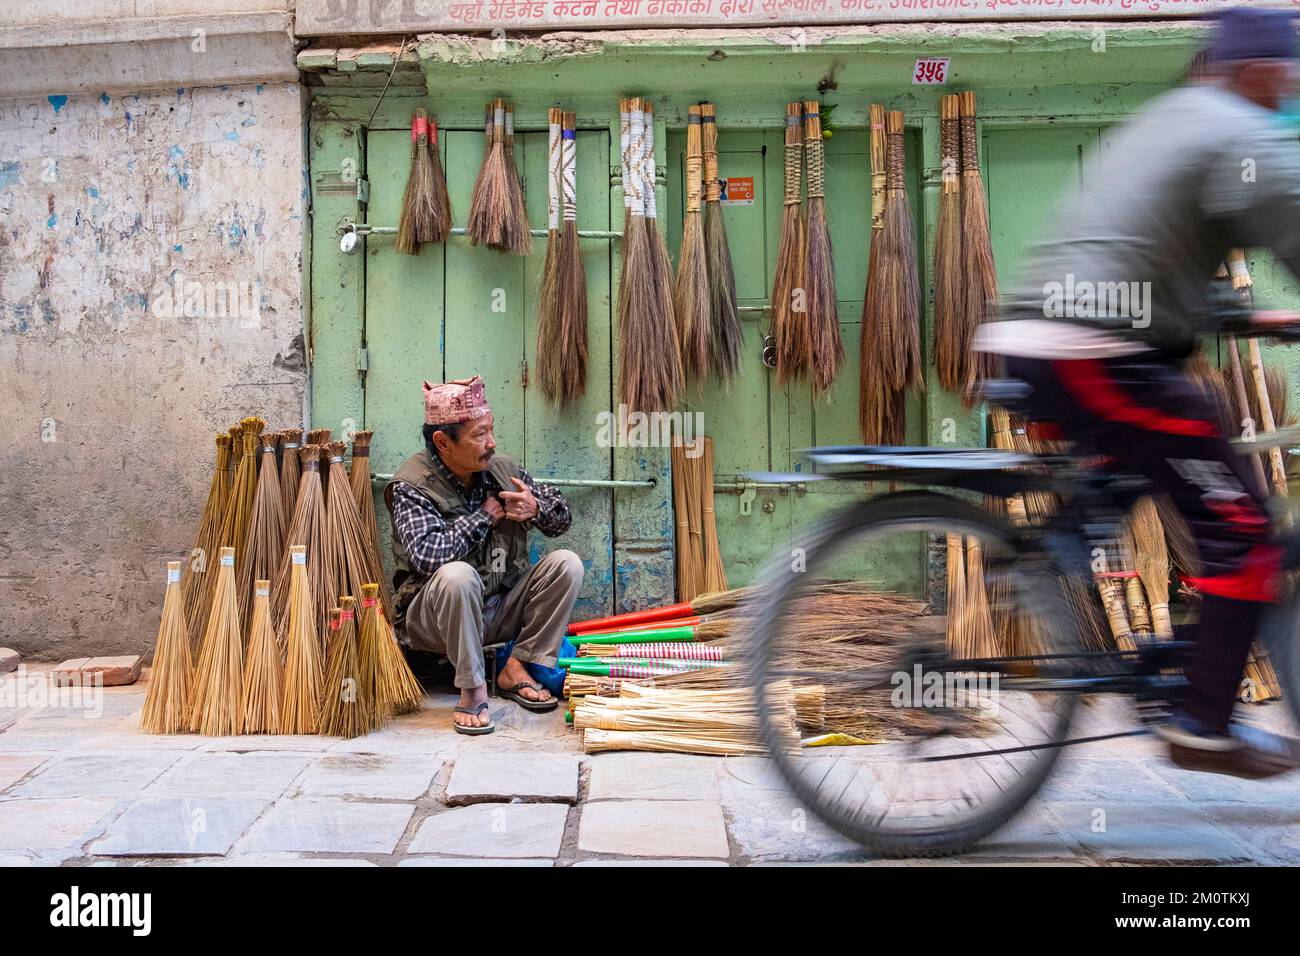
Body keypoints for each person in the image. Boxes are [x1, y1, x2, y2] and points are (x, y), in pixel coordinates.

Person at [975, 8, 1300, 778]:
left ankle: (1057, 552)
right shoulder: (1242, 135)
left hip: (1043, 341)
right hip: (1098, 351)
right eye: (1286, 75)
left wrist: (1250, 315)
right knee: (1243, 528)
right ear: (1259, 71)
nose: (1288, 89)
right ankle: (1202, 722)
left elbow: (1157, 263)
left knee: (1151, 452)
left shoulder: (1169, 120)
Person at [384, 375, 583, 735]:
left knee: (566, 564)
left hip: (499, 607)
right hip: (436, 621)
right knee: (457, 575)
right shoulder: (412, 485)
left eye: (490, 430)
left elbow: (562, 519)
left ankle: (517, 667)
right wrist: (483, 517)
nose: (491, 443)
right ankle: (472, 686)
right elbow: (429, 557)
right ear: (444, 442)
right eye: (479, 435)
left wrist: (535, 508)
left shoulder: (503, 471)